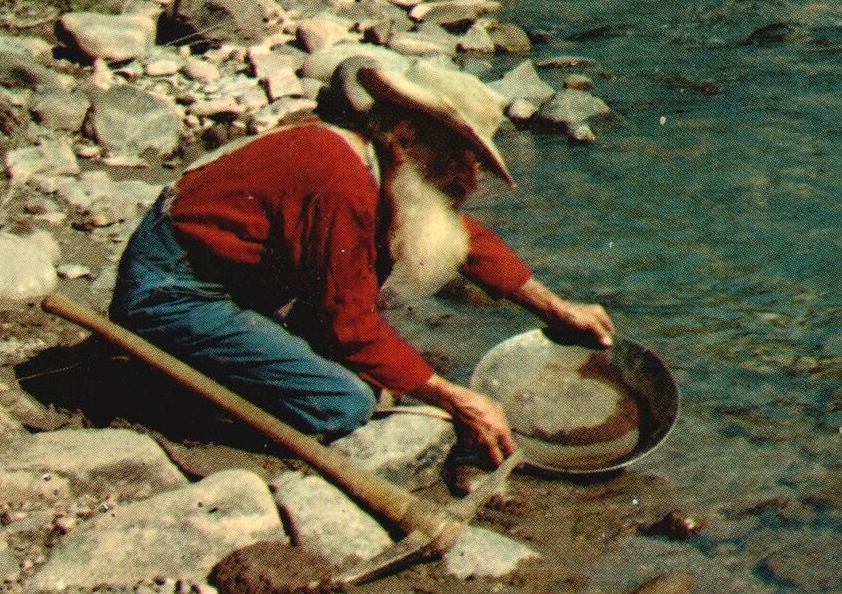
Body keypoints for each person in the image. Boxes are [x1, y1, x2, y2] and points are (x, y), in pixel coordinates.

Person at [109, 57, 614, 464]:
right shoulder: (341, 182)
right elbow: (350, 325)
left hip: (229, 276)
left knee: (372, 358)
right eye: (463, 156)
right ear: (411, 135)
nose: (471, 175)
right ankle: (164, 389)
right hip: (172, 289)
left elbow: (461, 237)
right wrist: (456, 398)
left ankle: (228, 355)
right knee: (345, 403)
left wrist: (552, 306)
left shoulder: (377, 157)